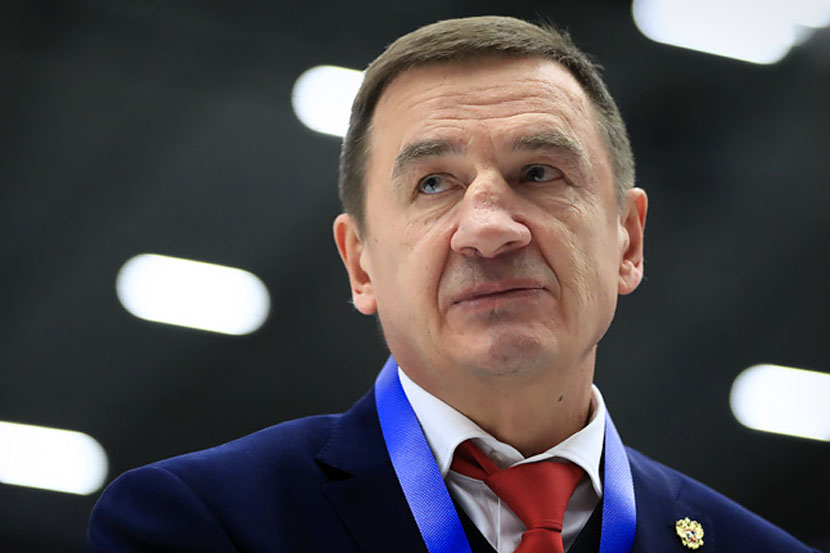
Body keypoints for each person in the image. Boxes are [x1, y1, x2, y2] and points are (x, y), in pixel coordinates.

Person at [87, 16, 820, 553]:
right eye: (434, 183)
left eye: (540, 172)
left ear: (627, 240)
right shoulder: (201, 524)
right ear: (361, 264)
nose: (489, 228)